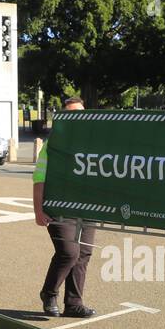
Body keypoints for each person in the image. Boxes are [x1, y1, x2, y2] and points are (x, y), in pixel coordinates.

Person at [33, 96, 95, 317]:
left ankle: (73, 303)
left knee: (84, 254)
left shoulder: (93, 142)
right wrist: (38, 210)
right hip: (58, 208)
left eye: (79, 113)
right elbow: (39, 178)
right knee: (69, 252)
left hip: (86, 209)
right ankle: (49, 293)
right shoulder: (54, 145)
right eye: (70, 114)